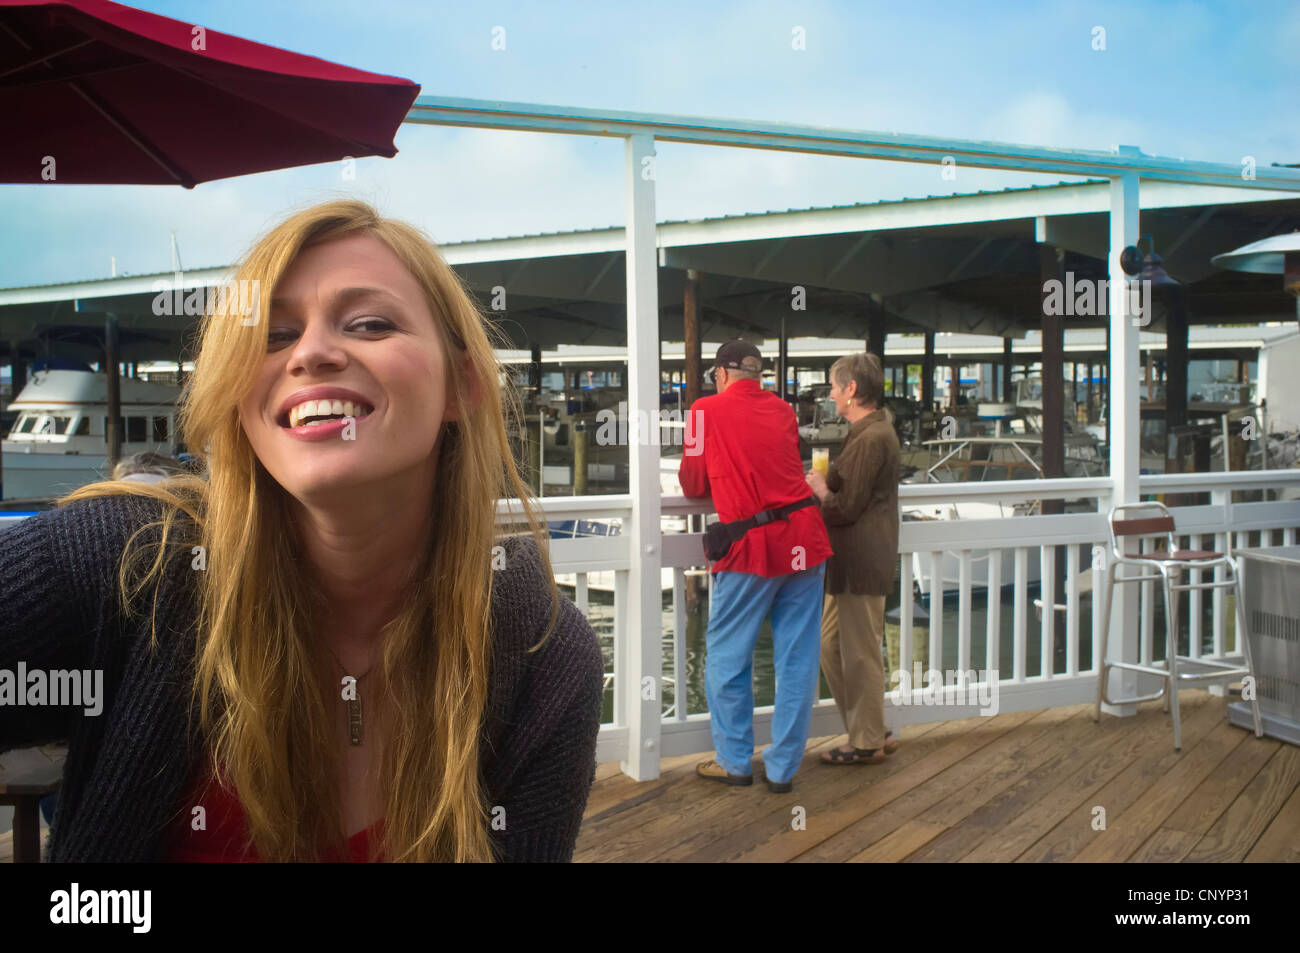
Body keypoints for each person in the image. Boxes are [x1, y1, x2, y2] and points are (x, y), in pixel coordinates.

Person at [0, 200, 604, 862]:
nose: (312, 352)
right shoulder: (127, 563)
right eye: (273, 335)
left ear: (462, 385)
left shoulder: (539, 651)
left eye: (370, 323)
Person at [679, 340, 833, 793]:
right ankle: (783, 770)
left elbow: (691, 483)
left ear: (720, 374)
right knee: (798, 658)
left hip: (749, 545)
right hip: (804, 537)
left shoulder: (703, 412)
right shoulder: (784, 411)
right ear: (757, 374)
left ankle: (734, 761)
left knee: (728, 655)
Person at [805, 352, 901, 765]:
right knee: (830, 645)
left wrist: (822, 491)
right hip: (848, 560)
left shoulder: (873, 437)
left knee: (860, 652)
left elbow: (846, 507)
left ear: (851, 389)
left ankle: (865, 743)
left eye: (834, 386)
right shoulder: (867, 432)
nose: (830, 394)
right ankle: (871, 729)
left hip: (861, 559)